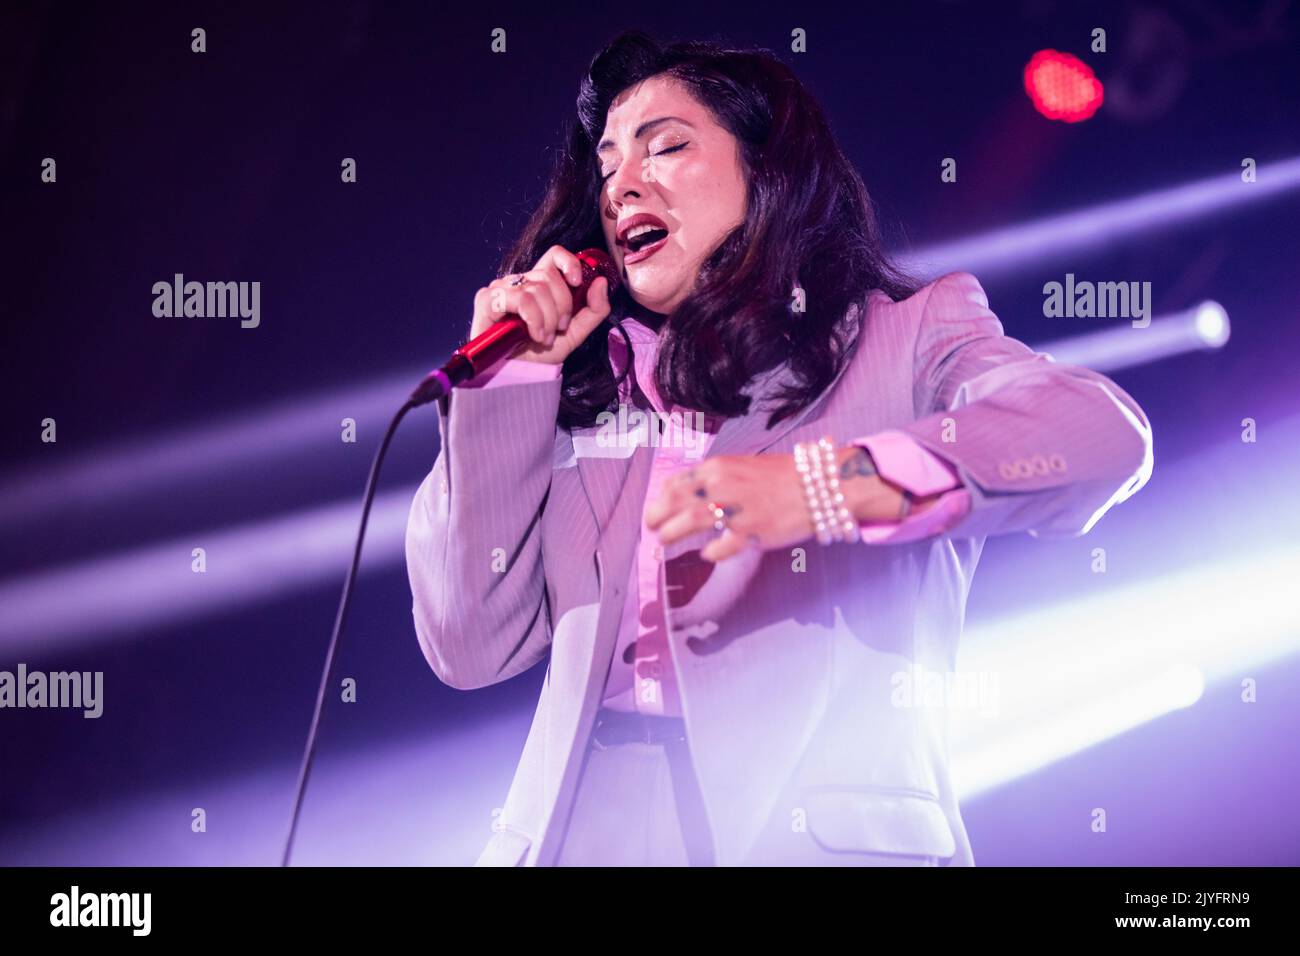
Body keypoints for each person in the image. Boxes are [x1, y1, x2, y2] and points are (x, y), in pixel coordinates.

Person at [404, 30, 1153, 866]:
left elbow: (1098, 435)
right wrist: (510, 386)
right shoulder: (588, 392)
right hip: (584, 834)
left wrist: (823, 487)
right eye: (608, 166)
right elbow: (467, 646)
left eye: (668, 148)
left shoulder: (905, 336)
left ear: (767, 172)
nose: (622, 188)